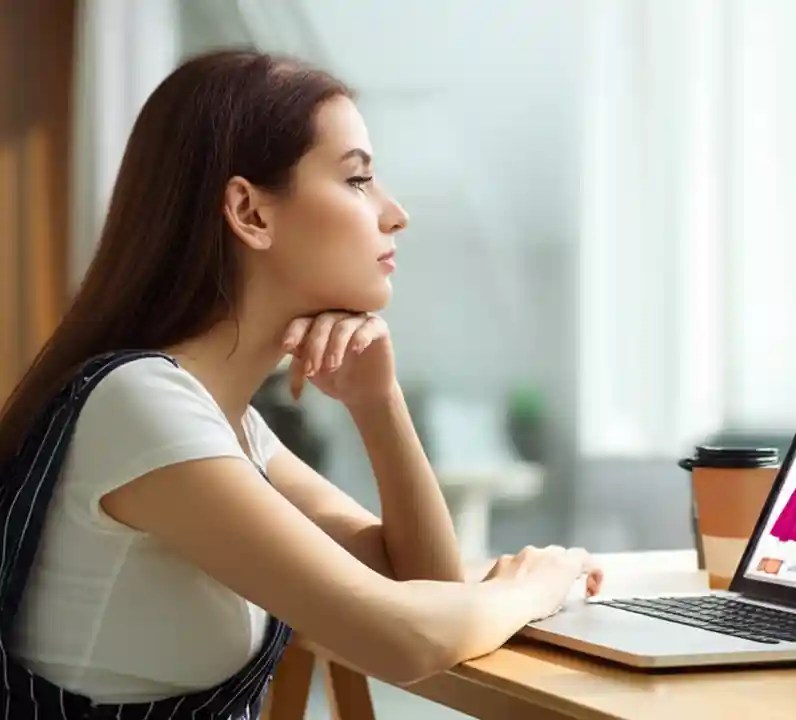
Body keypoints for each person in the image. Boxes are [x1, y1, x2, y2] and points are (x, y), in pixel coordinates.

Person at [0, 50, 601, 718]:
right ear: (249, 213)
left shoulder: (226, 423)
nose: (394, 213)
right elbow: (402, 638)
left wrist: (378, 402)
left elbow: (420, 582)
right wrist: (534, 586)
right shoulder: (142, 407)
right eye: (357, 180)